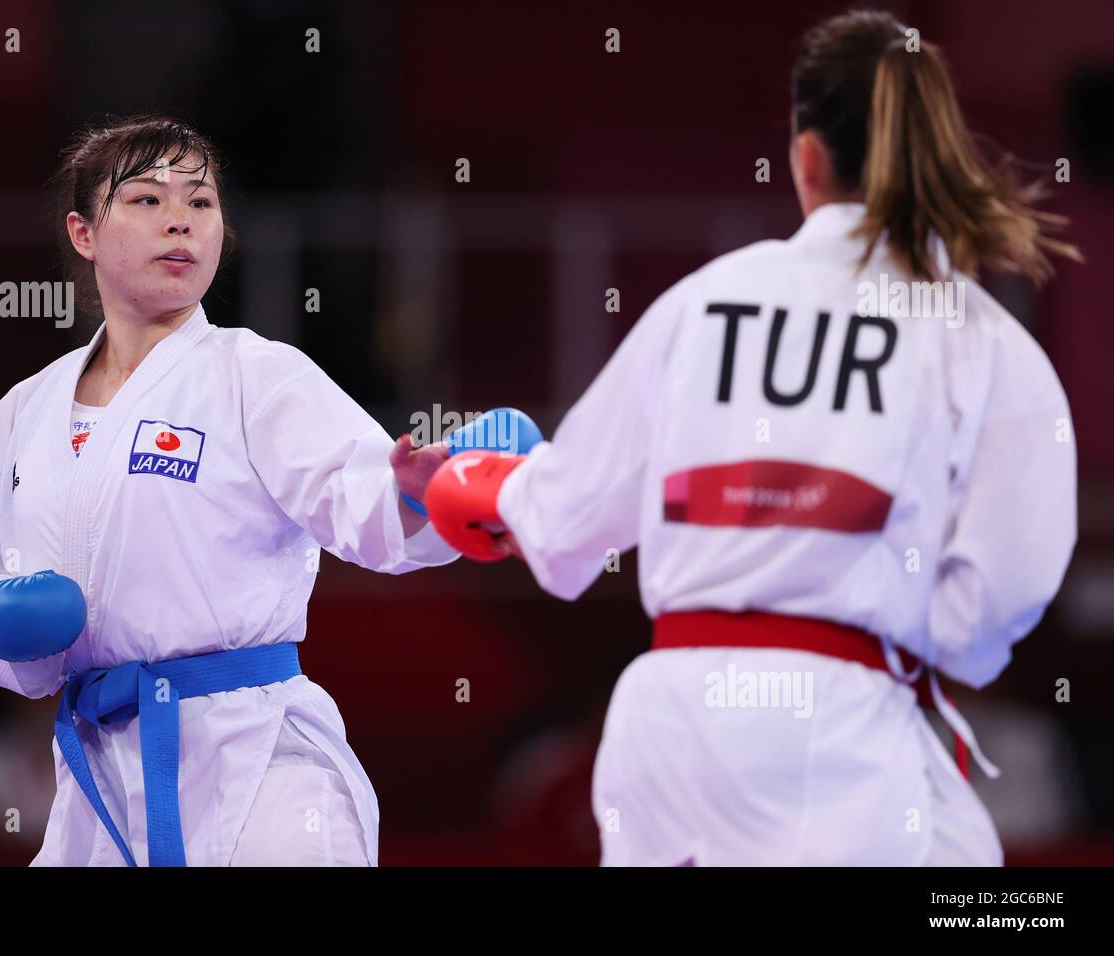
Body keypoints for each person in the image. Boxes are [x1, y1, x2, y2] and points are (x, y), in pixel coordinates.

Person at [423, 10, 1080, 866]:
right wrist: (913, 638)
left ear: (806, 156)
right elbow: (1006, 586)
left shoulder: (700, 303)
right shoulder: (985, 341)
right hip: (841, 731)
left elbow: (564, 513)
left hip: (667, 730)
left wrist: (472, 481)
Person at [0, 114, 459, 867]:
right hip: (101, 779)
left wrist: (412, 497)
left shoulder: (253, 374)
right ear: (84, 233)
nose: (180, 217)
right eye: (146, 199)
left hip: (258, 770)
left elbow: (359, 491)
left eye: (201, 201)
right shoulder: (27, 410)